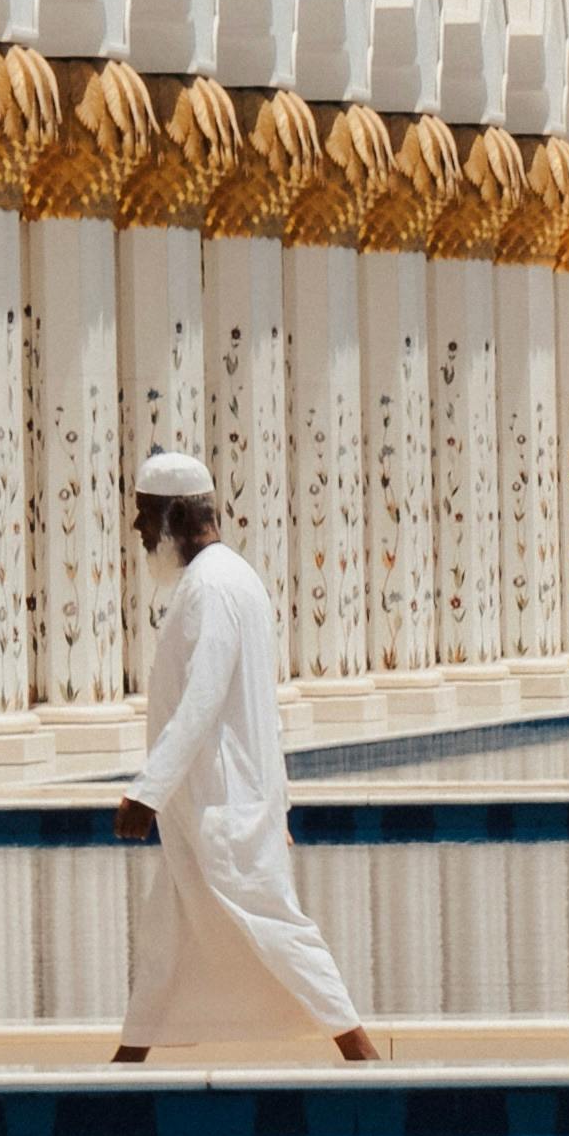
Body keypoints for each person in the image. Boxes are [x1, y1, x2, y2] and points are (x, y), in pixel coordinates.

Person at [114, 452, 376, 1063]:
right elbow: (261, 712)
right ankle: (126, 1069)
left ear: (177, 514)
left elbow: (203, 700)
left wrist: (148, 791)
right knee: (164, 942)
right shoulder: (225, 580)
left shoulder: (212, 587)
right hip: (216, 805)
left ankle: (362, 1057)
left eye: (145, 515)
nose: (139, 531)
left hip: (221, 809)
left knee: (279, 932)